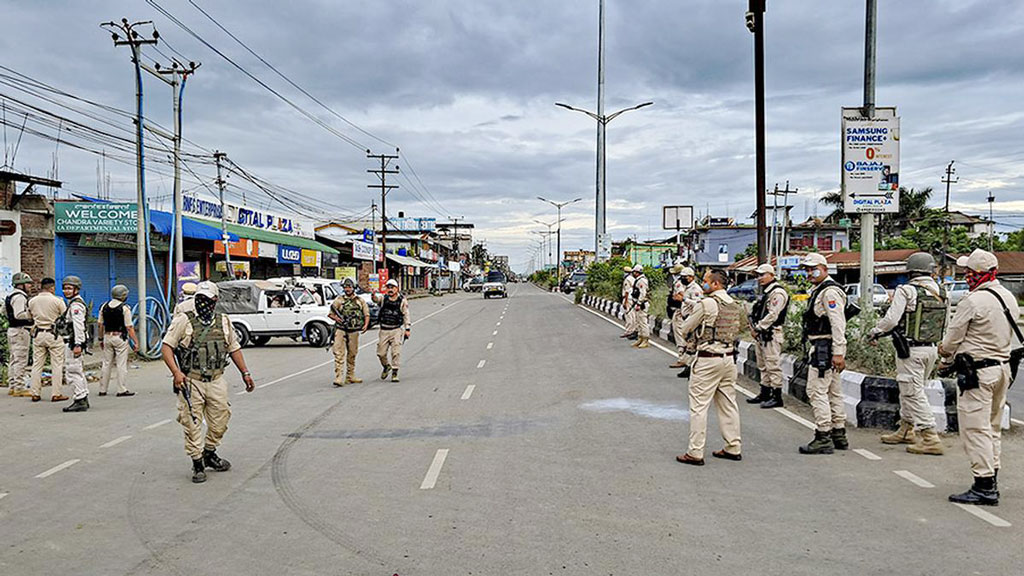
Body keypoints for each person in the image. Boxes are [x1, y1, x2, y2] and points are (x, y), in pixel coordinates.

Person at [939, 249, 1021, 506]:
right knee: (992, 427)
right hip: (1002, 369)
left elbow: (952, 337)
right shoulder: (1008, 296)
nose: (966, 276)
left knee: (975, 429)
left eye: (968, 272)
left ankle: (984, 485)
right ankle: (991, 475)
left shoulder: (972, 301)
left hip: (977, 374)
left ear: (975, 274)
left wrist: (945, 357)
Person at [161, 281, 255, 484]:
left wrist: (245, 373)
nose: (203, 303)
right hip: (191, 380)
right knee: (192, 422)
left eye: (207, 300)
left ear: (215, 300)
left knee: (221, 419)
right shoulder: (183, 320)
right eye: (199, 299)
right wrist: (177, 373)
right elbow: (167, 347)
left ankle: (209, 452)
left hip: (216, 379)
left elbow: (234, 348)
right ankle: (197, 463)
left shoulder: (223, 321)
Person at [869, 252, 945, 455]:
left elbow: (892, 320)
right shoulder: (941, 290)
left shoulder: (907, 290)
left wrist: (875, 331)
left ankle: (930, 437)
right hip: (931, 349)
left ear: (910, 271)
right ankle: (906, 429)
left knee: (913, 392)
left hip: (911, 350)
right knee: (910, 390)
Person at [675, 269, 743, 466]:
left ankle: (695, 452)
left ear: (715, 284)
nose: (703, 284)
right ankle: (733, 446)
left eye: (706, 281)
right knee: (728, 404)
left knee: (699, 406)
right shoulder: (733, 304)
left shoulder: (707, 304)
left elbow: (685, 327)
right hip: (729, 358)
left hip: (707, 359)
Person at [798, 253, 849, 455]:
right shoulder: (820, 290)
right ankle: (839, 434)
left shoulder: (829, 292)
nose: (810, 272)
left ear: (825, 268)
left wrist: (838, 353)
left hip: (824, 348)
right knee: (833, 392)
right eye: (807, 269)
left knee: (817, 391)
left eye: (813, 268)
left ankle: (823, 435)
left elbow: (838, 324)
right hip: (826, 347)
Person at [747, 263, 790, 409]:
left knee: (772, 365)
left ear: (771, 275)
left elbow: (773, 315)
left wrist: (758, 328)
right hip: (762, 334)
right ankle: (764, 393)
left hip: (771, 333)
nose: (759, 278)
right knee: (762, 365)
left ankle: (777, 396)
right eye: (758, 275)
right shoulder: (766, 292)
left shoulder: (777, 293)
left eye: (762, 275)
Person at [27, 277, 67, 403]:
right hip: (53, 334)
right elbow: (65, 316)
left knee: (37, 364)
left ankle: (35, 393)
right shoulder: (57, 301)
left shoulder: (32, 301)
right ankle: (56, 393)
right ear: (52, 288)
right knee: (57, 364)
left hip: (38, 334)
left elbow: (29, 317)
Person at [98, 284, 139, 397]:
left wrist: (100, 338)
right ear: (124, 296)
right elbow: (129, 327)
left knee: (106, 363)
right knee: (121, 364)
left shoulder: (104, 306)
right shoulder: (125, 308)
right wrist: (135, 341)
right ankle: (121, 389)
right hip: (120, 338)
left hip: (107, 337)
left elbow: (100, 324)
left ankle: (103, 389)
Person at [327, 278, 370, 386]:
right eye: (345, 287)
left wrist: (365, 325)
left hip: (354, 331)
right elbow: (330, 314)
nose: (347, 289)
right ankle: (339, 377)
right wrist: (337, 319)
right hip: (341, 329)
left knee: (352, 353)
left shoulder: (360, 300)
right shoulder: (339, 300)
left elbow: (366, 314)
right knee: (338, 353)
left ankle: (350, 376)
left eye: (349, 287)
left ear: (353, 287)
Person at [57, 276, 90, 413]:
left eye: (70, 288)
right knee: (77, 370)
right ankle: (83, 396)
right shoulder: (72, 303)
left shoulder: (76, 305)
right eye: (65, 288)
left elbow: (78, 325)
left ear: (76, 289)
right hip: (73, 341)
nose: (66, 291)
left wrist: (78, 344)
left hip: (73, 342)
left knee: (72, 371)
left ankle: (79, 399)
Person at [670, 266, 704, 378]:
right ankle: (688, 365)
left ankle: (689, 365)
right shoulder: (687, 287)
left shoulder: (695, 289)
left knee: (690, 343)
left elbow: (699, 305)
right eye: (682, 277)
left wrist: (684, 300)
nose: (683, 279)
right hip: (685, 317)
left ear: (691, 277)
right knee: (689, 343)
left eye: (685, 277)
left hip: (692, 318)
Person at [374, 279, 410, 382]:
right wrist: (373, 295)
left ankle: (395, 372)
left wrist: (407, 328)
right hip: (384, 330)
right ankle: (386, 366)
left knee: (396, 352)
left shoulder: (402, 300)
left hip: (396, 329)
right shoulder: (383, 299)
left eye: (392, 287)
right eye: (388, 287)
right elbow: (376, 300)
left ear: (396, 288)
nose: (390, 290)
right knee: (380, 353)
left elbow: (406, 314)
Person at [5, 272, 34, 397]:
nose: (30, 286)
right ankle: (19, 387)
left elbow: (3, 311)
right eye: (27, 283)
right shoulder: (20, 297)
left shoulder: (10, 296)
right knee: (21, 359)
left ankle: (12, 385)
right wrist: (31, 316)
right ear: (20, 285)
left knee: (13, 359)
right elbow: (19, 314)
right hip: (21, 330)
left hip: (12, 329)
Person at [630, 264, 651, 349]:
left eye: (634, 272)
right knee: (638, 322)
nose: (633, 273)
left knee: (643, 322)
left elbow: (643, 293)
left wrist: (639, 303)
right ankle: (640, 338)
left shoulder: (642, 281)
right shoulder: (638, 280)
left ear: (637, 272)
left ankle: (645, 339)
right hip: (637, 303)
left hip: (642, 304)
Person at [620, 265, 637, 340]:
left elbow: (626, 291)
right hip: (632, 298)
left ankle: (628, 331)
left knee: (628, 315)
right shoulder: (633, 279)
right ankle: (632, 330)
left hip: (628, 298)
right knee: (632, 315)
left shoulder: (627, 279)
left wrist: (625, 302)